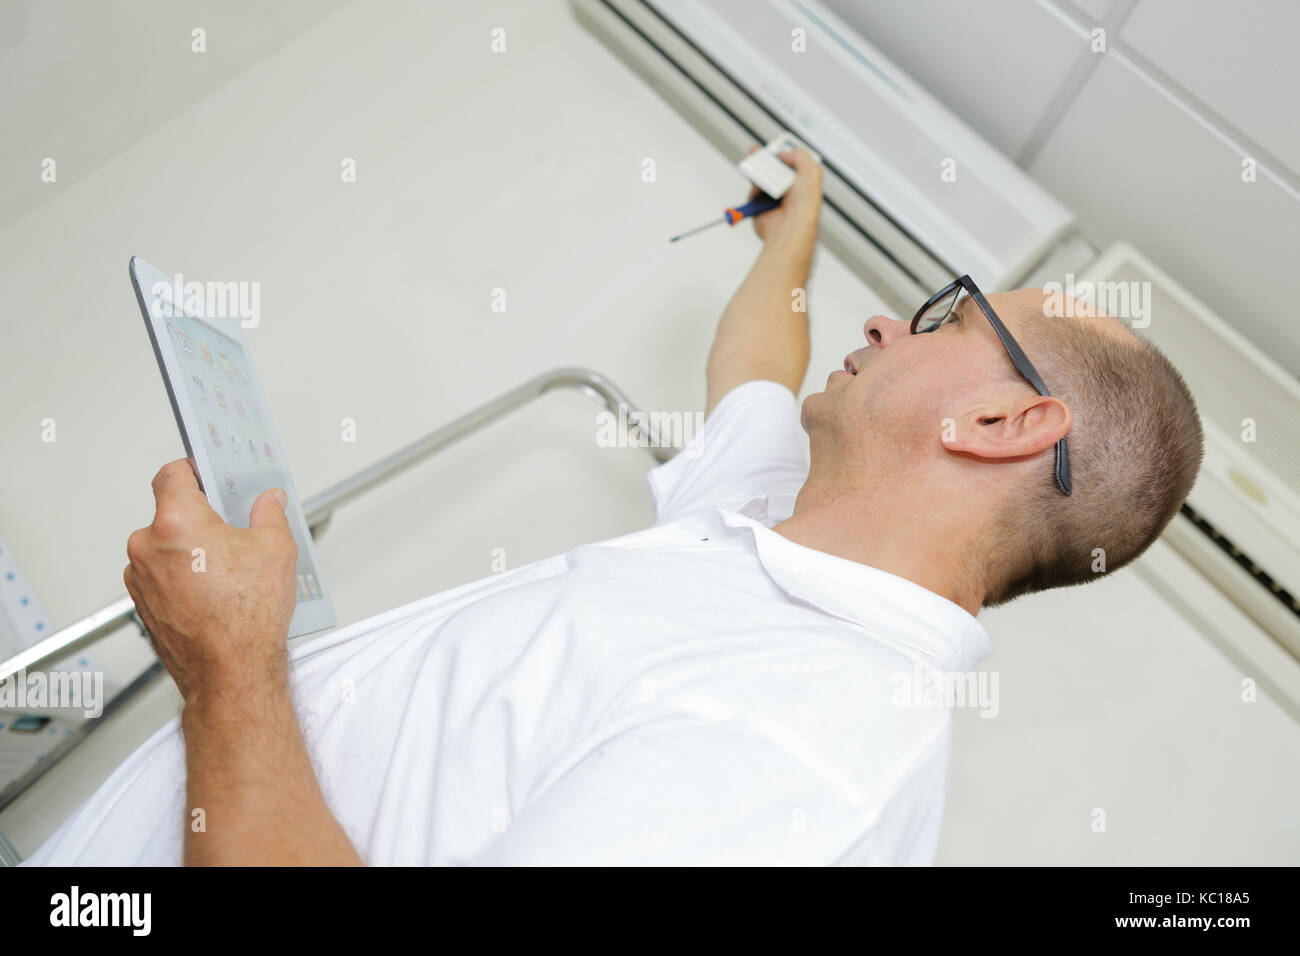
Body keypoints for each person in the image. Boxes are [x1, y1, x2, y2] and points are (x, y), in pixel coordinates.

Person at [25, 149, 1202, 866]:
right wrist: (795, 230)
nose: (887, 321)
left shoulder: (812, 751)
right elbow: (754, 365)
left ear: (1001, 425)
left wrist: (228, 662)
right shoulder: (774, 520)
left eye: (942, 317)